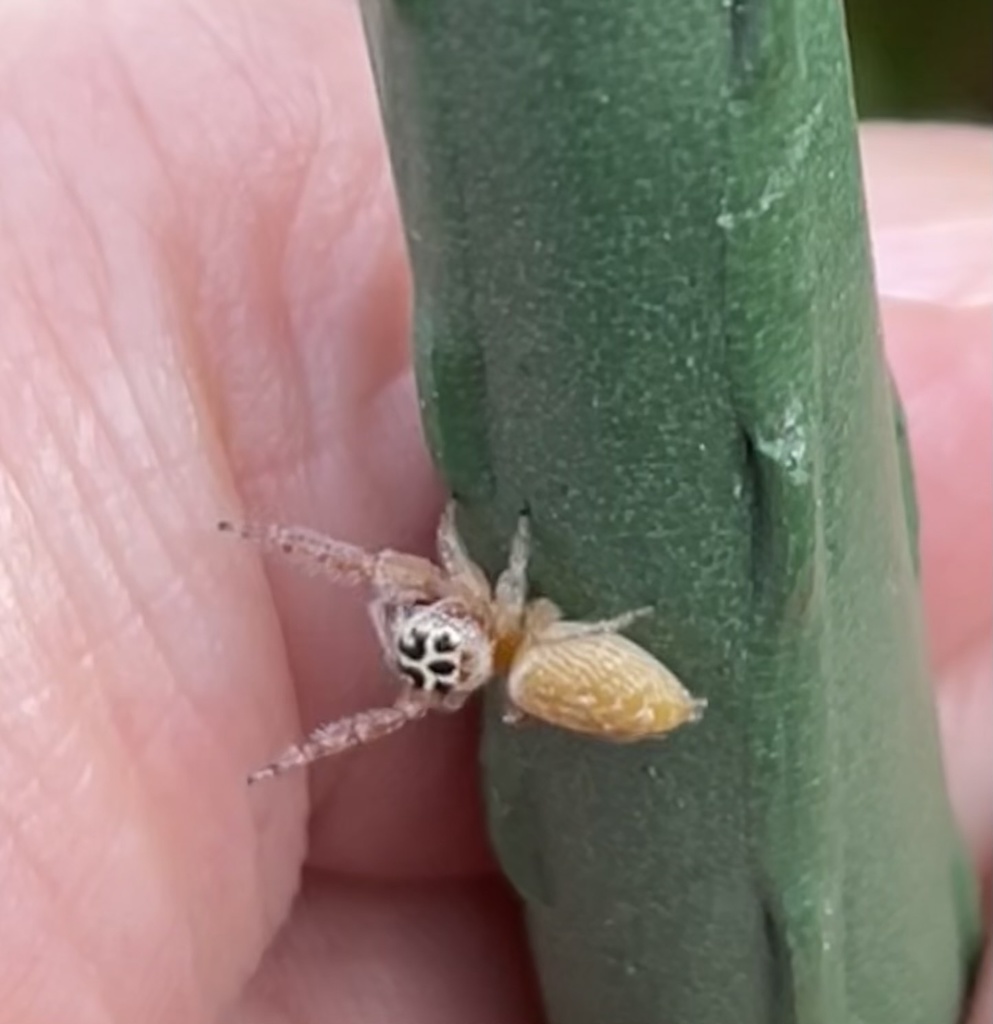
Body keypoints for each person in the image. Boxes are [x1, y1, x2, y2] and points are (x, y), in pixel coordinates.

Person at [0, 4, 988, 1022]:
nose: (412, 607)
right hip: (556, 669)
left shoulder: (486, 633)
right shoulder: (496, 623)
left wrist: (280, 564)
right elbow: (465, 600)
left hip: (560, 676)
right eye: (429, 626)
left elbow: (430, 606)